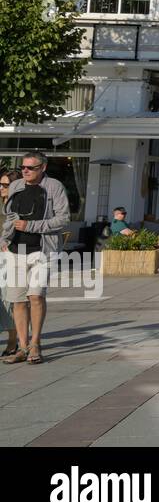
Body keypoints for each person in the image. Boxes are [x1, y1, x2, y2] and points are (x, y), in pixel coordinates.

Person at [0, 152, 71, 365]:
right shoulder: (16, 186)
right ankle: (22, 347)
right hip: (15, 250)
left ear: (43, 167)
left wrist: (31, 226)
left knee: (36, 296)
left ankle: (35, 343)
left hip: (42, 251)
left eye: (30, 167)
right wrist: (4, 237)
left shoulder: (54, 187)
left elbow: (64, 218)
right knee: (18, 301)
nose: (25, 171)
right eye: (23, 167)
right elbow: (10, 217)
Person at [0, 170, 19, 357]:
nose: (1, 188)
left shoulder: (17, 206)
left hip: (10, 257)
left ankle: (13, 339)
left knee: (9, 299)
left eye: (5, 185)